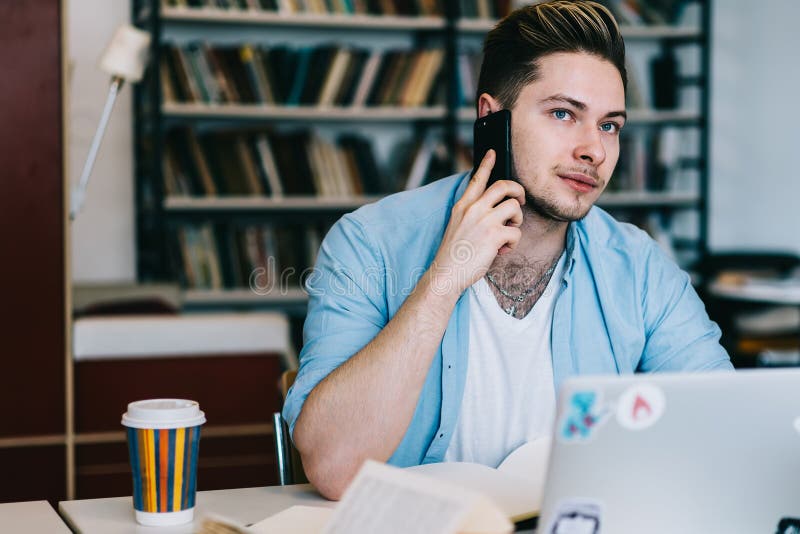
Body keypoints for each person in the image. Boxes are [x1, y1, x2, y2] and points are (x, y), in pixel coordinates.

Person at [283, 0, 732, 500]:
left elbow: (724, 431)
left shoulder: (638, 267)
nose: (595, 150)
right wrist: (445, 280)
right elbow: (332, 466)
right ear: (491, 119)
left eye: (610, 125)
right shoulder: (369, 242)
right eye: (563, 114)